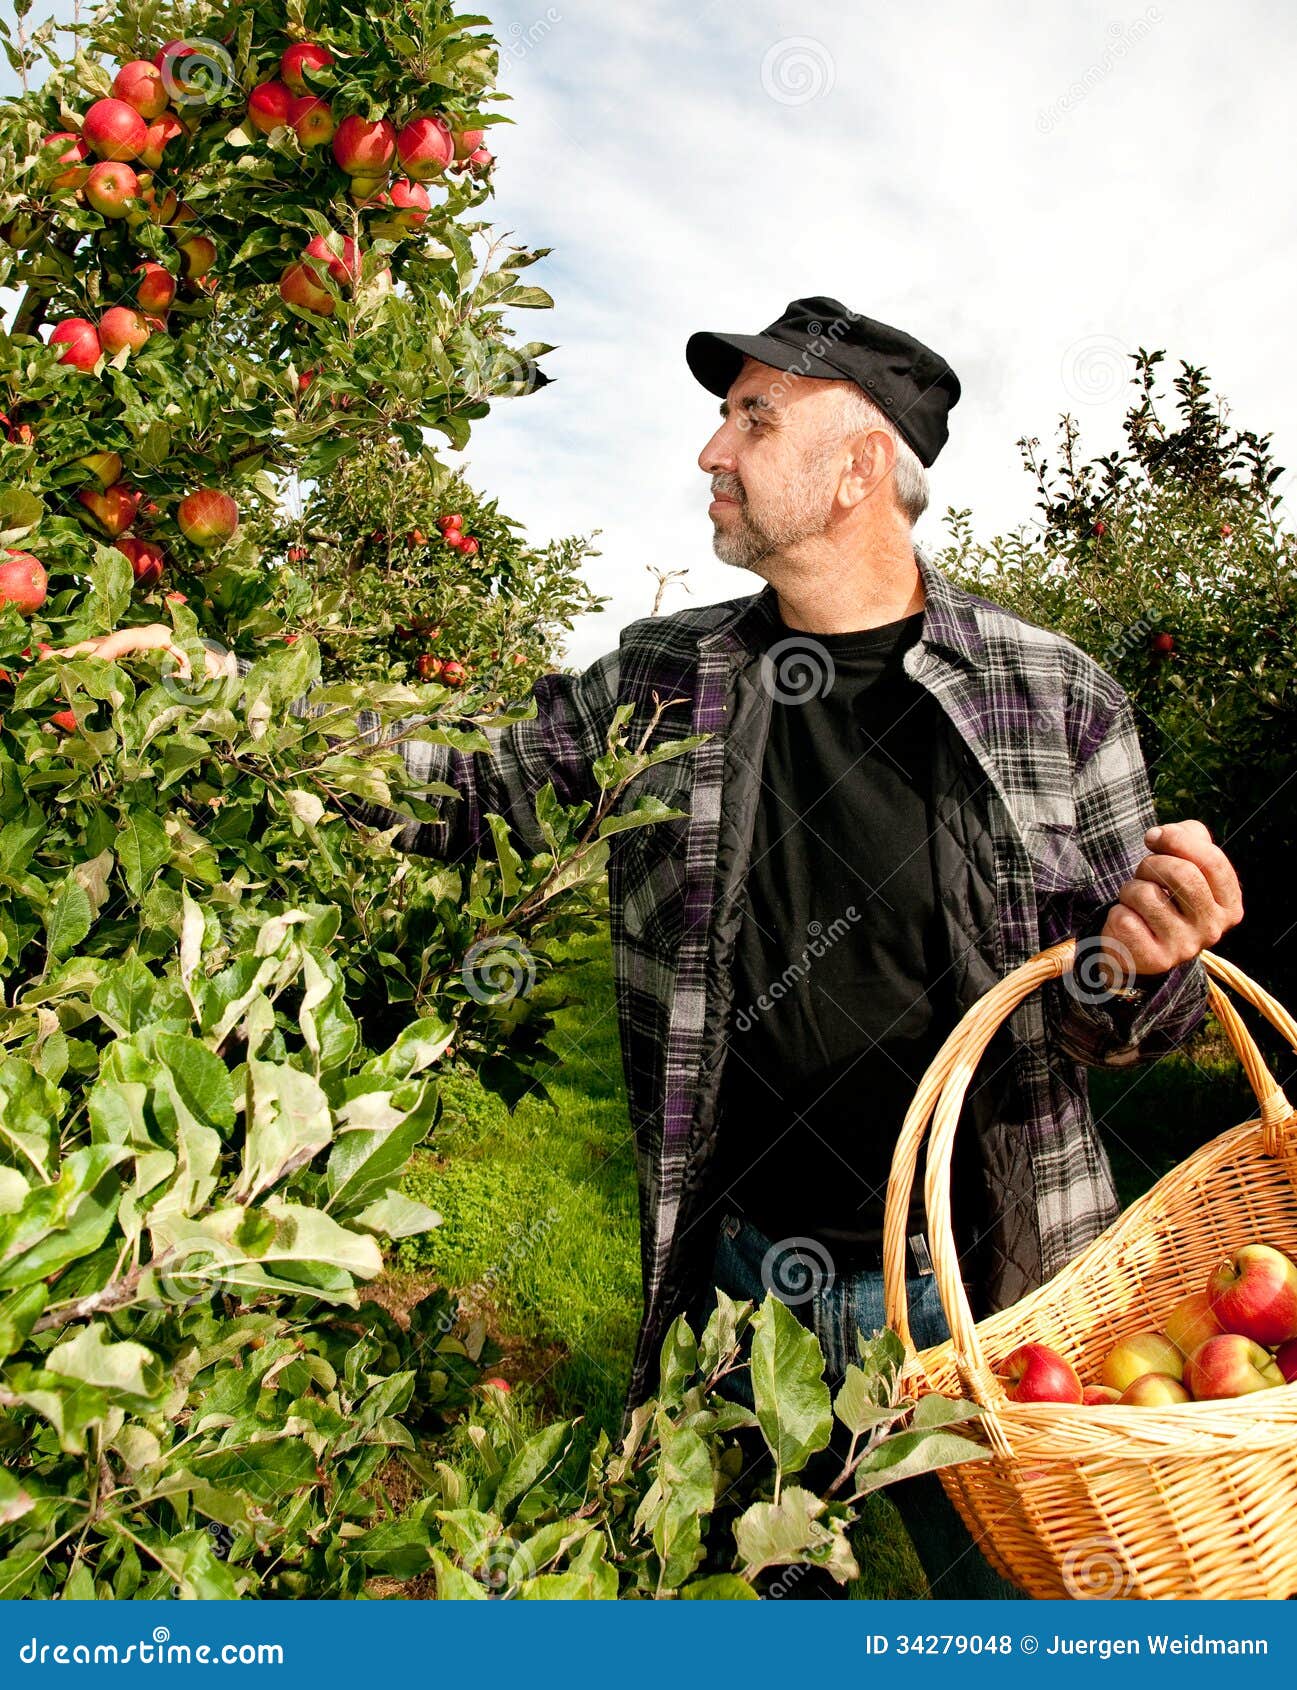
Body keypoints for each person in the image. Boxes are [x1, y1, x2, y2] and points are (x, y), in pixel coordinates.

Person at [62, 296, 1244, 1598]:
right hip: (745, 1284)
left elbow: (1114, 1020)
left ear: (859, 467)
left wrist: (1147, 959)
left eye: (753, 419)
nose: (709, 451)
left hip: (996, 1287)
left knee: (1040, 1615)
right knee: (757, 1619)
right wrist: (228, 699)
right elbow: (470, 790)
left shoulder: (1051, 695)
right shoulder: (665, 676)